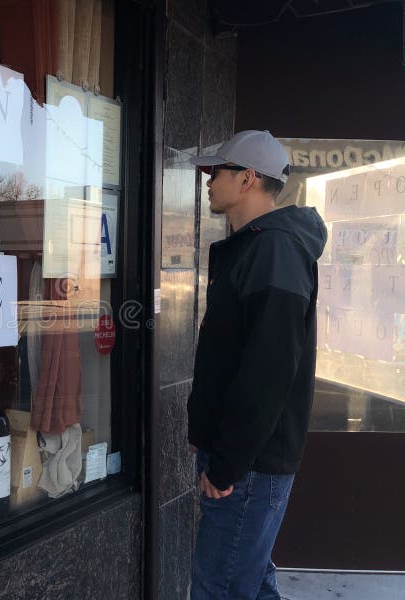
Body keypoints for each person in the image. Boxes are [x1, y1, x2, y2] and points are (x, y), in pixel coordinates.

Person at [187, 130, 327, 599]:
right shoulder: (258, 246)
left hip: (248, 465)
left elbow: (269, 371)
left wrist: (227, 464)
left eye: (216, 172)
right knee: (250, 583)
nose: (208, 181)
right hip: (244, 459)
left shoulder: (274, 250)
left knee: (220, 588)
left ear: (247, 179)